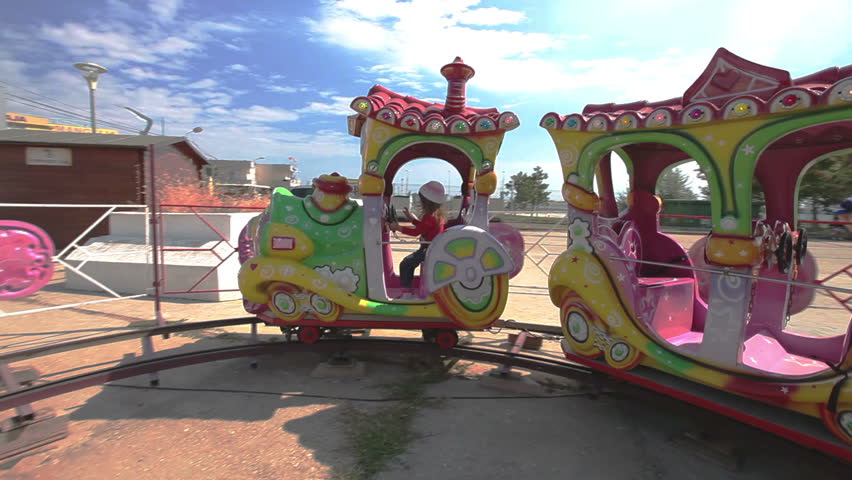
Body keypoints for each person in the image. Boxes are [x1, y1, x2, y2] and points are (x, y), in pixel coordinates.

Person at [389, 181, 447, 288]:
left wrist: (398, 227)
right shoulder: (435, 216)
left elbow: (416, 232)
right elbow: (424, 226)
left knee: (405, 264)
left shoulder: (430, 217)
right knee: (409, 264)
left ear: (426, 202)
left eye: (421, 200)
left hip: (429, 250)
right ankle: (408, 287)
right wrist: (411, 219)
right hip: (432, 248)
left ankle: (406, 291)